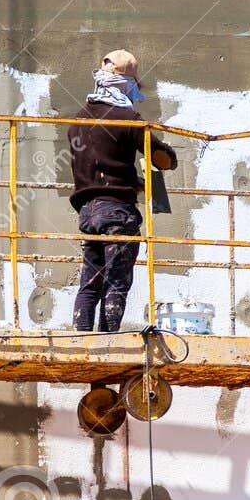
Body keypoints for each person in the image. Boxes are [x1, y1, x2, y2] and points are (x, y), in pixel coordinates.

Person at [67, 49, 178, 332]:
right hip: (117, 213)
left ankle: (80, 341)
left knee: (90, 283)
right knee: (116, 283)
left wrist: (130, 179)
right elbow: (163, 159)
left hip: (87, 213)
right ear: (127, 84)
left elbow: (100, 163)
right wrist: (165, 157)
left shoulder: (78, 122)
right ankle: (108, 342)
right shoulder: (125, 119)